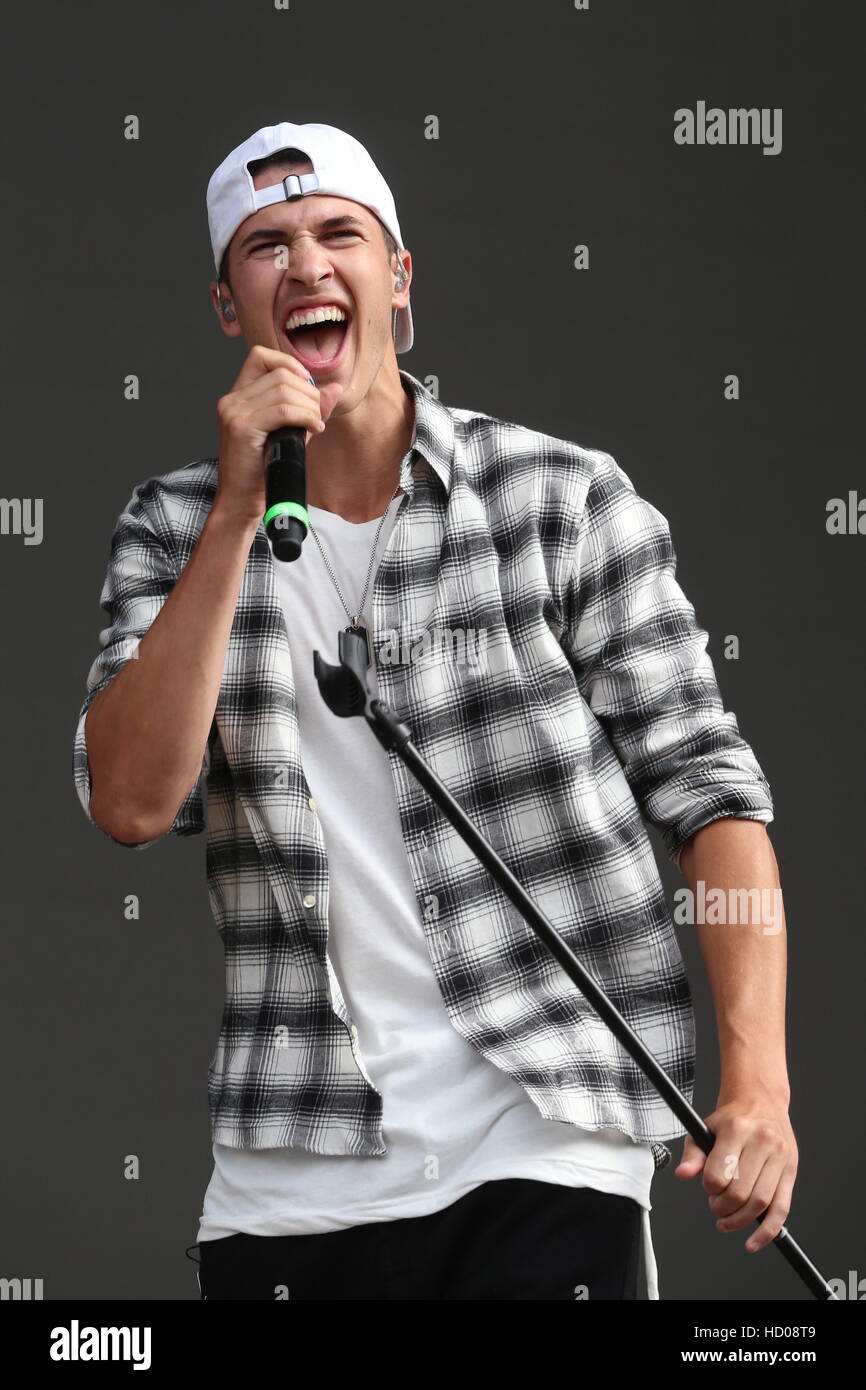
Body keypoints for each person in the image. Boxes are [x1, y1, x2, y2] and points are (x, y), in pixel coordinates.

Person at [72, 122, 797, 1301]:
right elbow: (133, 803)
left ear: (396, 279)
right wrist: (233, 522)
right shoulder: (173, 527)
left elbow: (712, 799)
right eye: (265, 247)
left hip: (543, 1139)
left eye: (337, 234)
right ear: (226, 306)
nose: (305, 267)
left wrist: (755, 1085)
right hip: (291, 1170)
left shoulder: (558, 501)